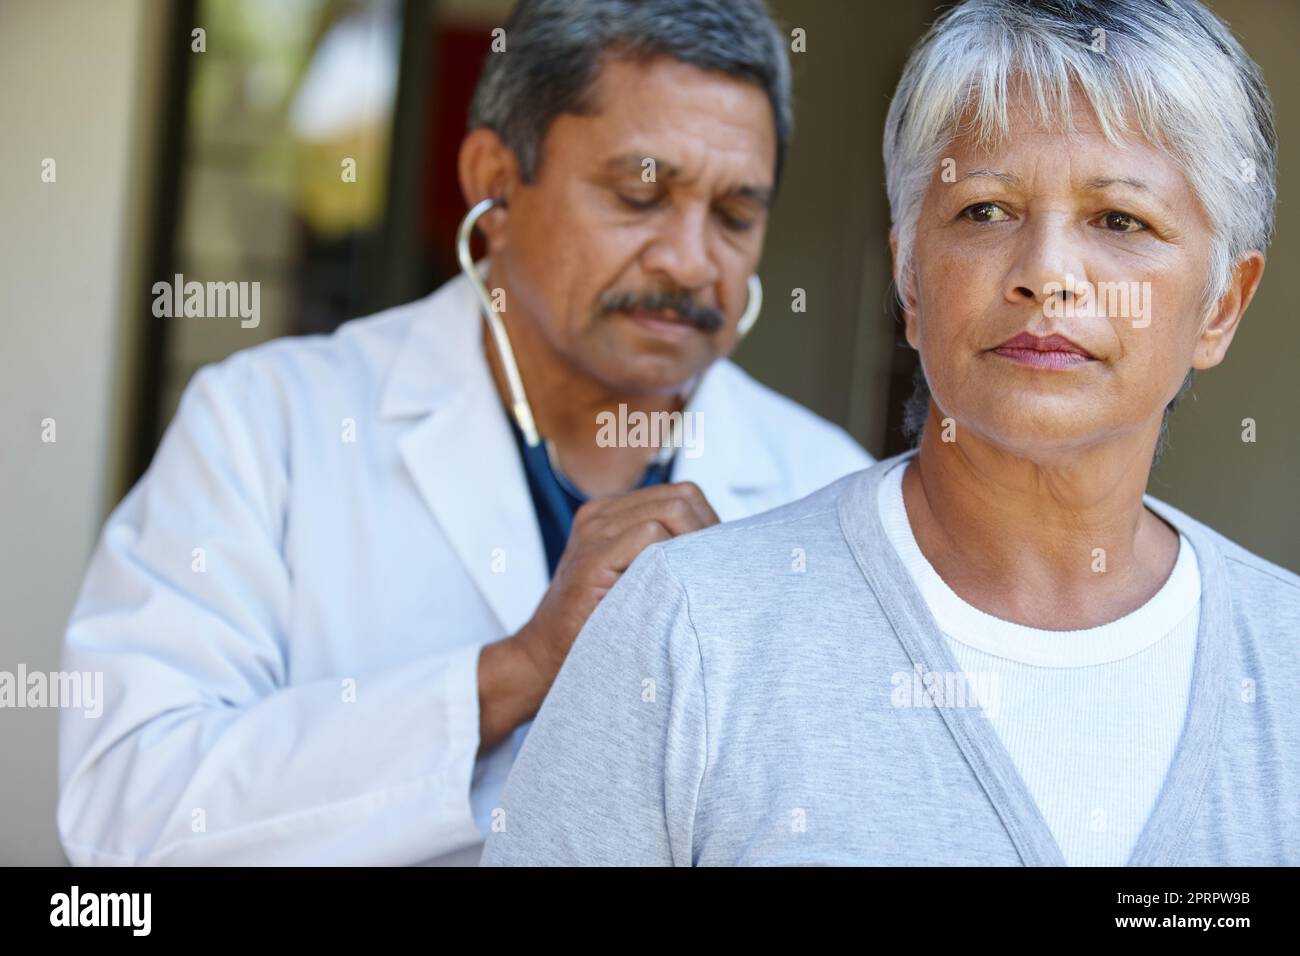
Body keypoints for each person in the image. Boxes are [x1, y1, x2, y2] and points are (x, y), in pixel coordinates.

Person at [482, 0, 1300, 866]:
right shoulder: (689, 627)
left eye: (1120, 221)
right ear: (910, 278)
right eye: (986, 211)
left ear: (1221, 307)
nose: (1045, 275)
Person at [56, 0, 870, 865]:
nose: (691, 259)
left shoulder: (827, 492)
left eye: (736, 216)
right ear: (494, 182)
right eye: (641, 194)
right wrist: (514, 671)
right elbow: (126, 814)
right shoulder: (267, 427)